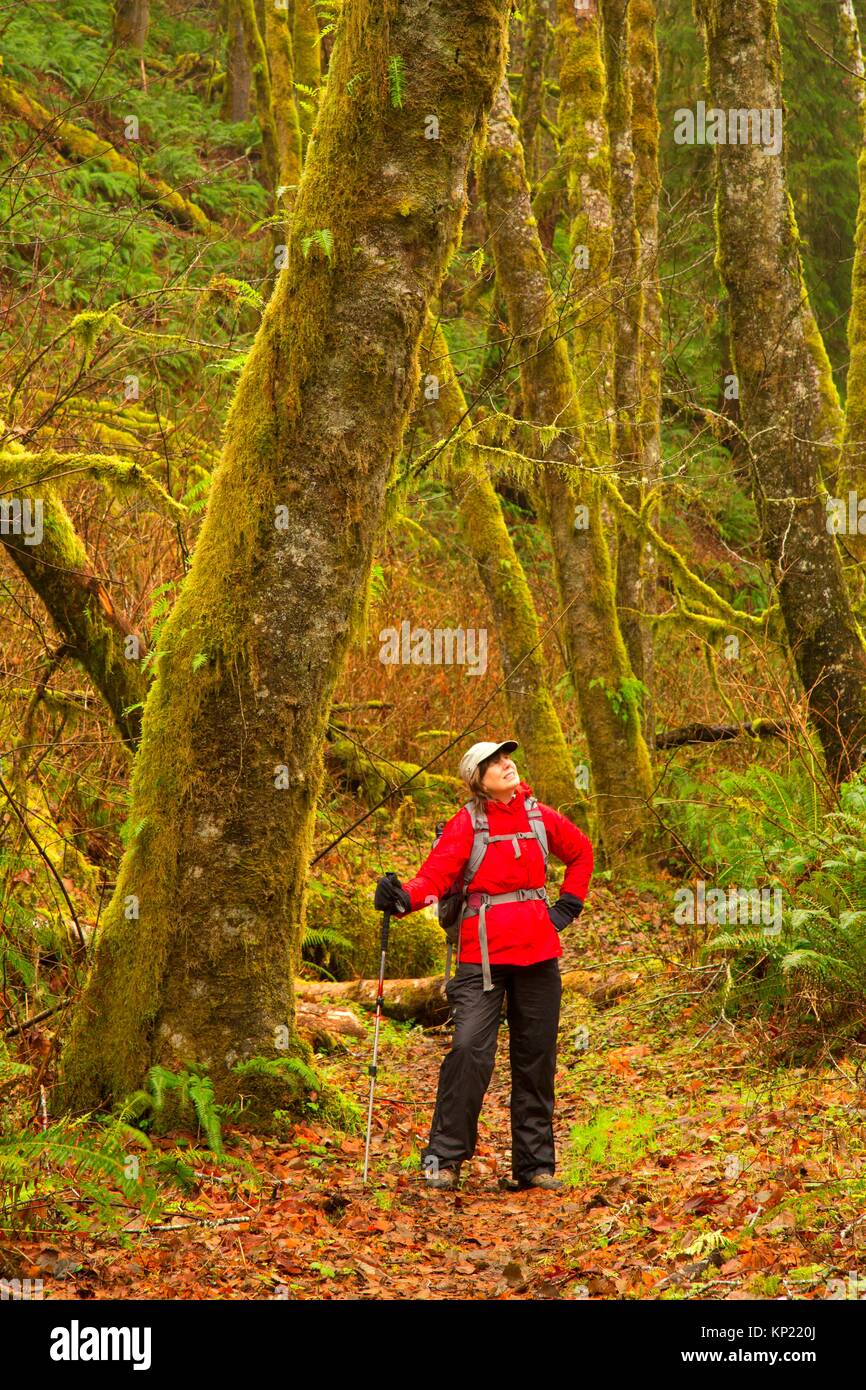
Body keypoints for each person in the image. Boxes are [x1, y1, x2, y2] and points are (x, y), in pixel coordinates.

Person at [373, 738, 593, 1192]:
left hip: (539, 958)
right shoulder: (465, 825)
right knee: (469, 1052)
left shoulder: (538, 816)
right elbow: (435, 878)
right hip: (481, 961)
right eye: (494, 763)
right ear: (478, 779)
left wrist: (567, 908)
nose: (506, 765)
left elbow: (581, 852)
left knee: (536, 1060)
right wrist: (402, 900)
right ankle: (445, 1159)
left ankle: (535, 1167)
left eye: (507, 757)